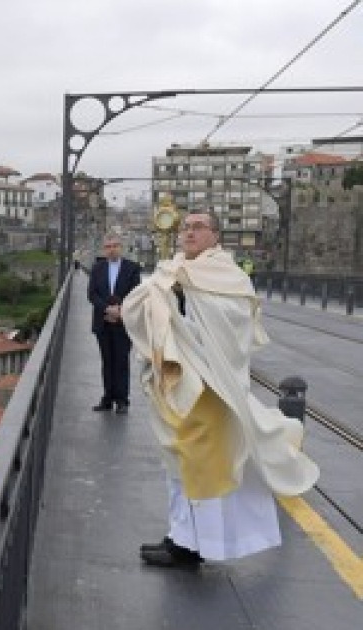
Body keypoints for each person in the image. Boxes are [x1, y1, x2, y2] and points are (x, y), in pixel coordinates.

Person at [121, 210, 318, 569]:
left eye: (198, 227)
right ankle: (180, 536)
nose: (189, 232)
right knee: (179, 465)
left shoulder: (229, 276)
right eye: (185, 227)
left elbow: (233, 328)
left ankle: (193, 544)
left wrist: (180, 307)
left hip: (210, 388)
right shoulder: (173, 269)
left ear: (216, 235)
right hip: (178, 383)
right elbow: (146, 306)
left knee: (203, 466)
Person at [87, 232, 142, 414]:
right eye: (108, 247)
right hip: (102, 322)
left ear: (121, 247)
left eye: (115, 246)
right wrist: (107, 309)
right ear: (104, 249)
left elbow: (135, 295)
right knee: (107, 361)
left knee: (121, 361)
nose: (112, 250)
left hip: (123, 322)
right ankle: (107, 399)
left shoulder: (132, 268)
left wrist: (120, 311)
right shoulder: (97, 268)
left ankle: (122, 400)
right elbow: (92, 294)